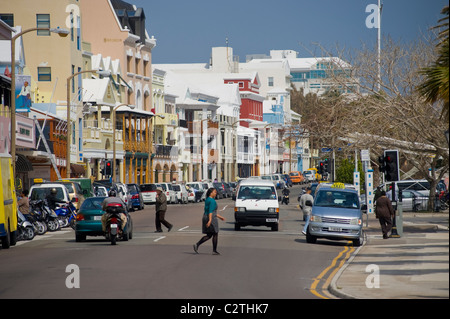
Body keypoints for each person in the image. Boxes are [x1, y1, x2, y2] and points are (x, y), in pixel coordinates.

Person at [193, 188, 225, 255]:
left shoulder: (207, 199)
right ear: (211, 193)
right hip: (211, 218)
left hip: (205, 216)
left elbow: (211, 211)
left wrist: (220, 217)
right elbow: (211, 211)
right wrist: (210, 220)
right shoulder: (212, 201)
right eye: (214, 192)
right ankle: (214, 250)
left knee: (209, 235)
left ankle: (197, 245)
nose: (216, 193)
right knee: (215, 233)